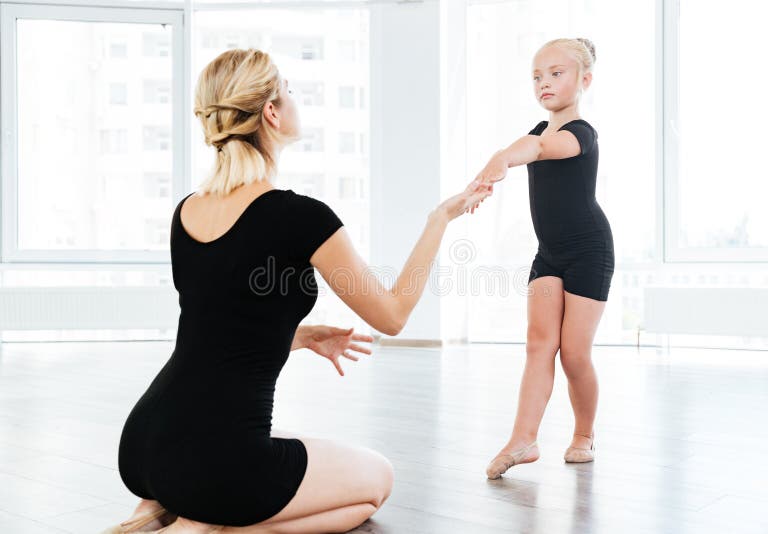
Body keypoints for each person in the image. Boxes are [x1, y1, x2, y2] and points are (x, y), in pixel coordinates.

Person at [105, 48, 493, 534]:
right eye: (288, 91)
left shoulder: (187, 211)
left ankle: (164, 508)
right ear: (271, 111)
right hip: (216, 462)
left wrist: (298, 335)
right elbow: (393, 315)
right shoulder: (300, 217)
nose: (293, 99)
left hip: (143, 443)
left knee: (261, 448)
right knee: (377, 479)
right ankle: (208, 525)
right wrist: (441, 220)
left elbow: (218, 326)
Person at [476, 38, 614, 479]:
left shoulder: (580, 133)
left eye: (557, 73)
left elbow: (534, 151)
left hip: (590, 250)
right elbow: (525, 144)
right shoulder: (539, 129)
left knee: (574, 354)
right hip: (549, 254)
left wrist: (503, 160)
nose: (545, 83)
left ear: (584, 80)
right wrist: (492, 168)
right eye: (537, 76)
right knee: (538, 345)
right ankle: (524, 440)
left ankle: (584, 434)